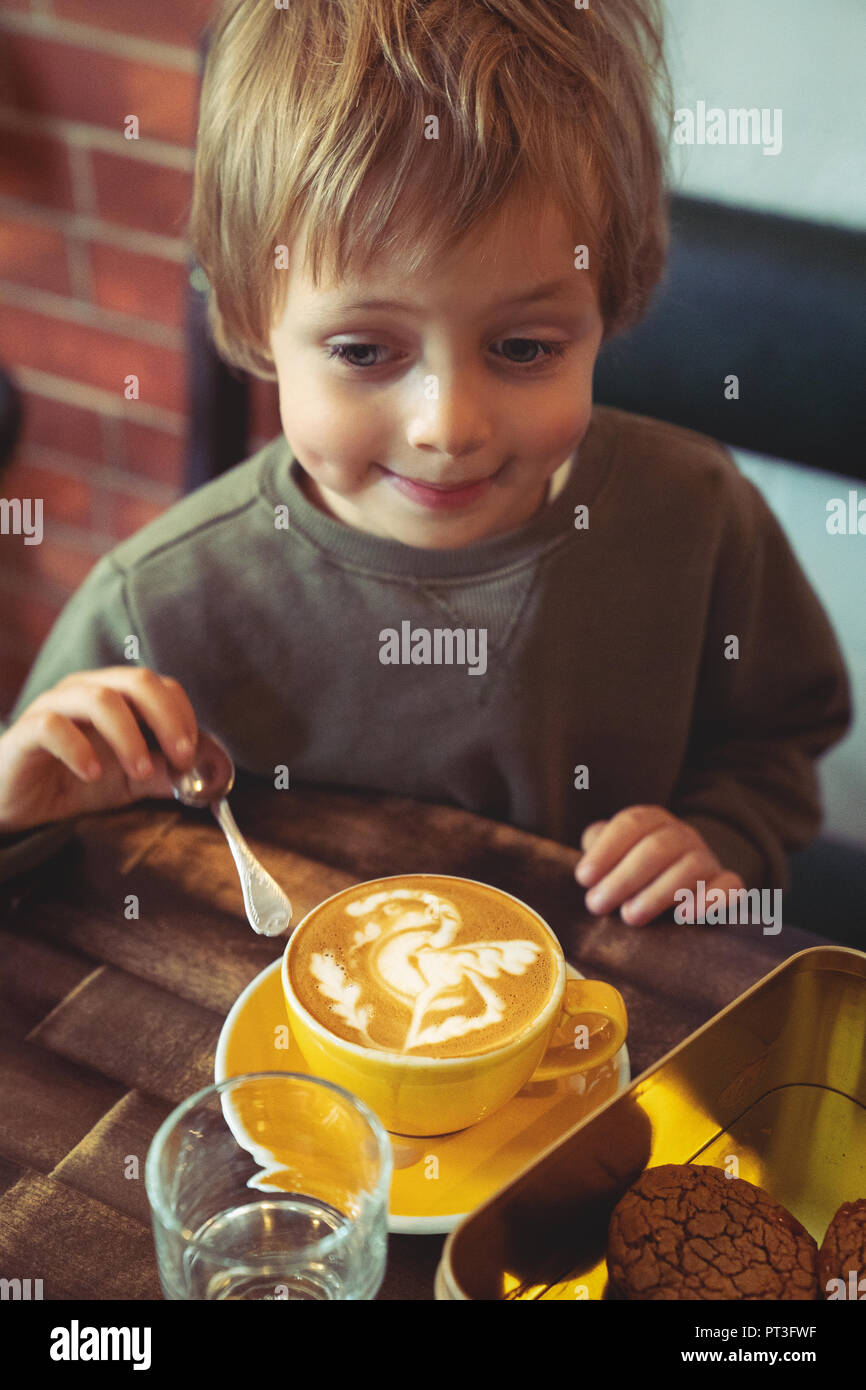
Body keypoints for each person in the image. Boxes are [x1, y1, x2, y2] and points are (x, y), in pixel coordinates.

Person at [0, 0, 851, 926]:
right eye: (366, 352)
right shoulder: (153, 610)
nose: (448, 426)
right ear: (252, 322)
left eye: (524, 348)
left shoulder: (696, 518)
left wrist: (716, 838)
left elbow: (777, 740)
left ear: (609, 303)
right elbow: (52, 892)